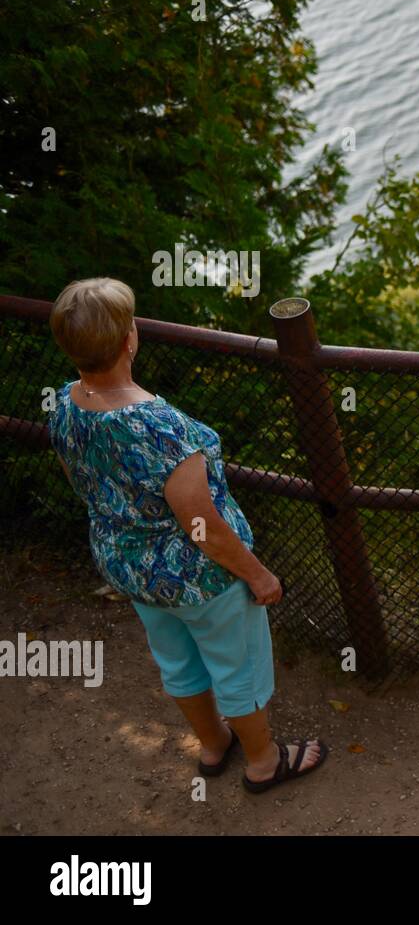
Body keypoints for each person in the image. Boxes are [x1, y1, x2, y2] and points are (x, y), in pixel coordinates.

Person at [47, 278, 327, 792]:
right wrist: (257, 574)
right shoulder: (162, 428)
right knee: (235, 664)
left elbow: (81, 483)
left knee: (175, 658)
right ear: (129, 339)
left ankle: (215, 743)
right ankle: (263, 762)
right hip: (202, 578)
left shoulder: (65, 404)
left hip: (130, 568)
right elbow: (200, 525)